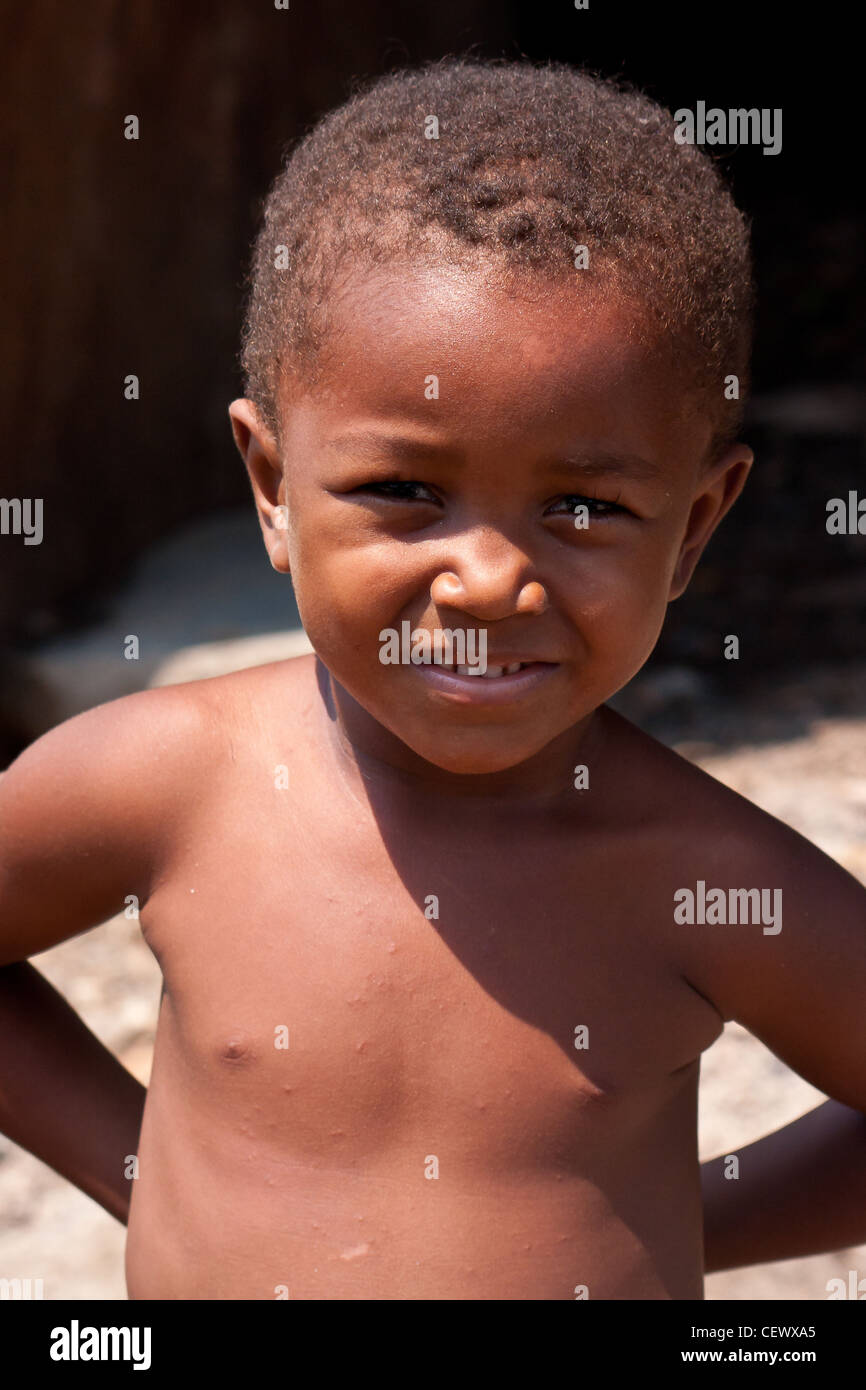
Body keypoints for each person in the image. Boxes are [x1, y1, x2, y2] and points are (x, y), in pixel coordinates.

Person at [1, 57, 864, 1300]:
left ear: (689, 527)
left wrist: (682, 1224)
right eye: (404, 491)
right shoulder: (164, 783)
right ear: (270, 485)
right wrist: (141, 1171)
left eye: (582, 504)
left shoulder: (704, 880)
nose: (485, 580)